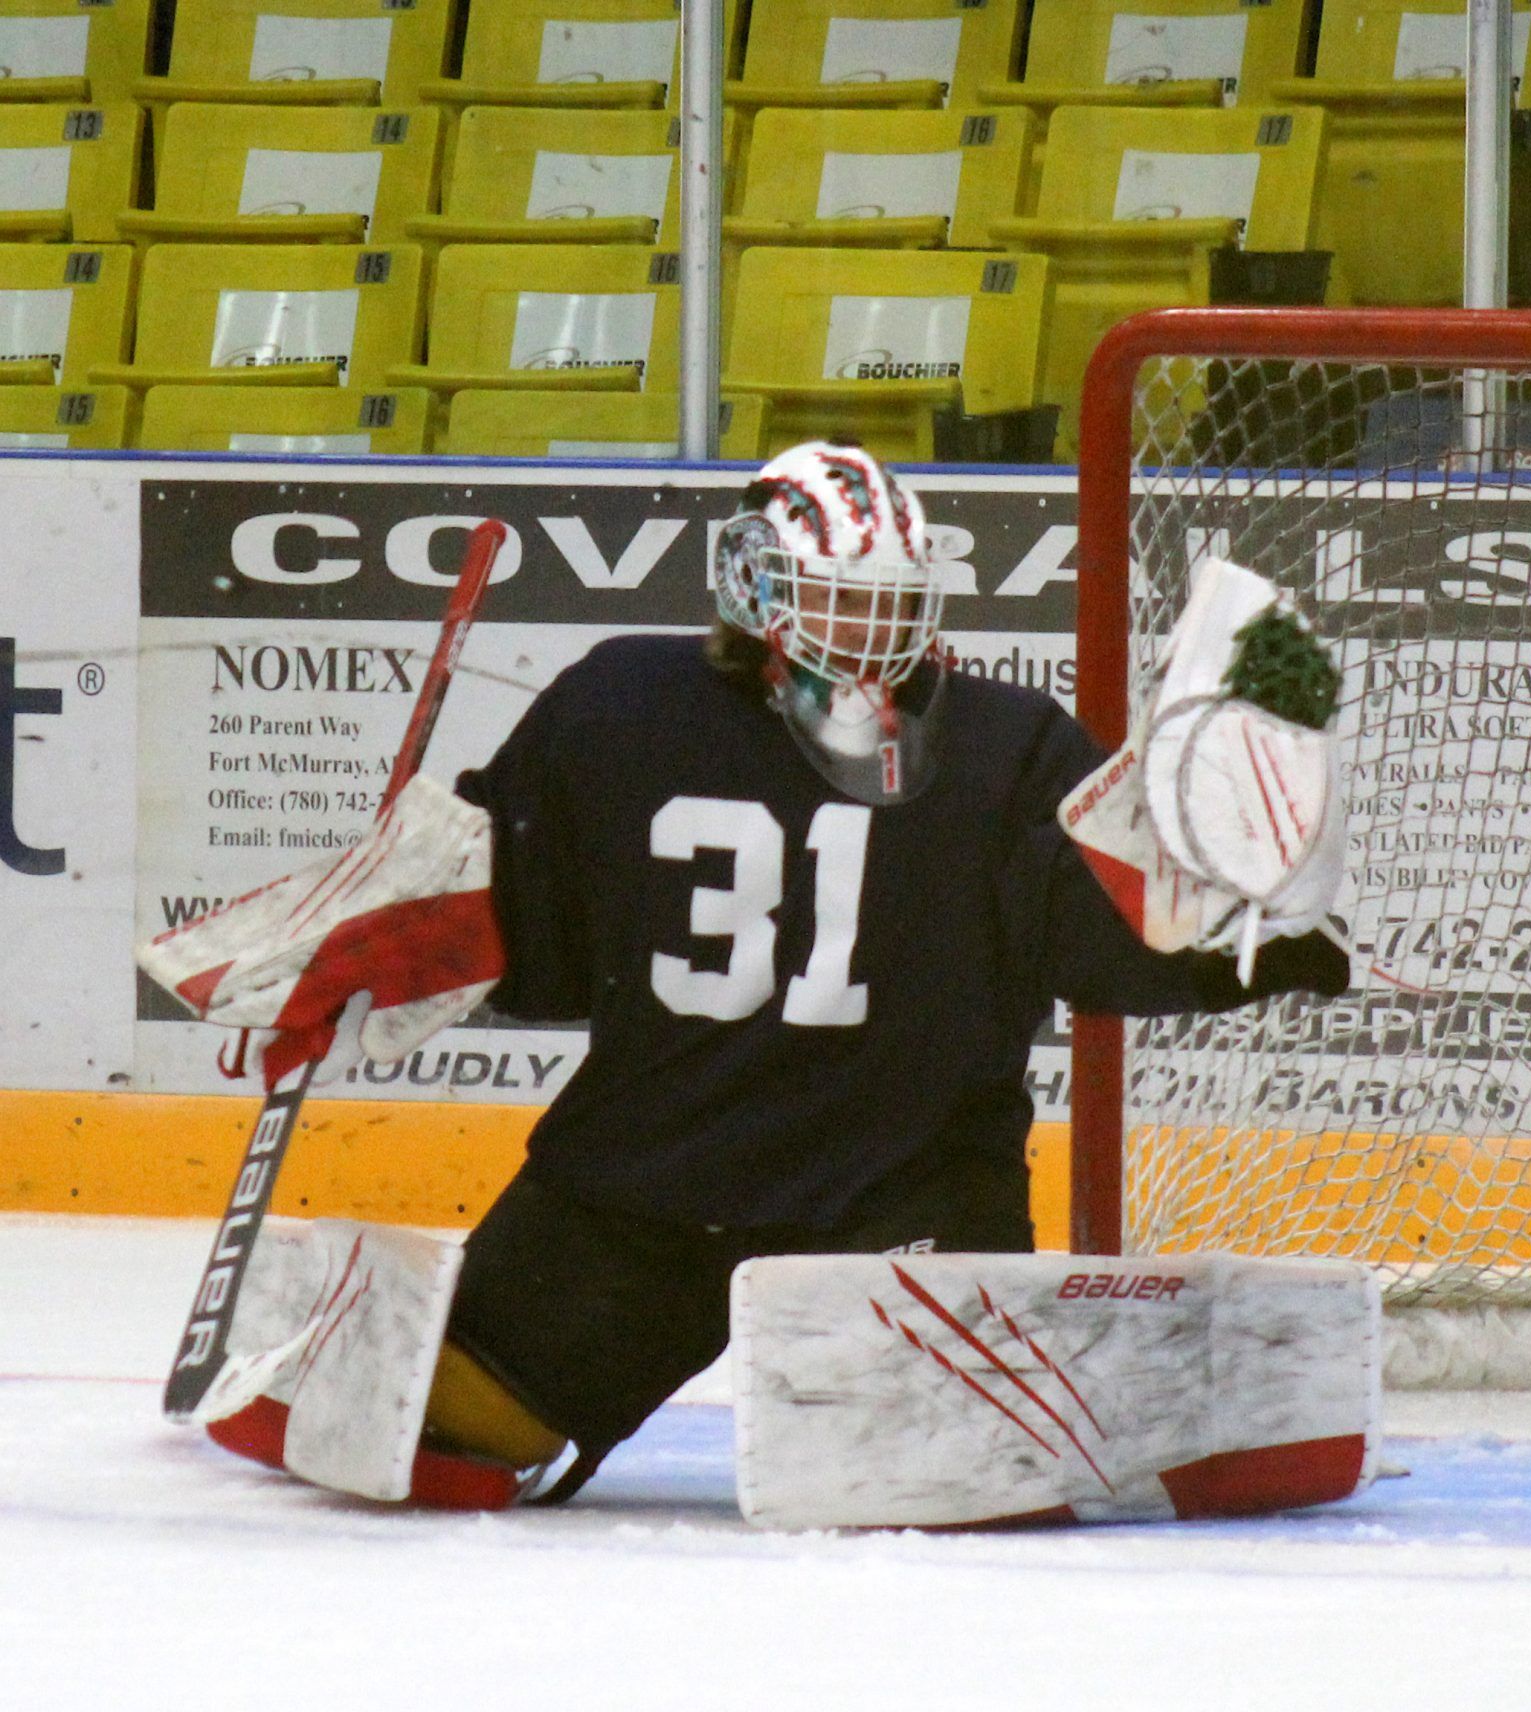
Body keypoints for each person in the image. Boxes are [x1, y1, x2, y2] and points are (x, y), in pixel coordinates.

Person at [394, 442, 1349, 1501]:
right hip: (637, 1190)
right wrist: (381, 936)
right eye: (840, 600)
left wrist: (1242, 935)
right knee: (435, 1437)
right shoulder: (615, 706)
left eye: (890, 603)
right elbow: (525, 948)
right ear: (751, 584)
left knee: (948, 1490)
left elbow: (1115, 951)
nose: (872, 633)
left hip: (897, 1200)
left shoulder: (1002, 743)